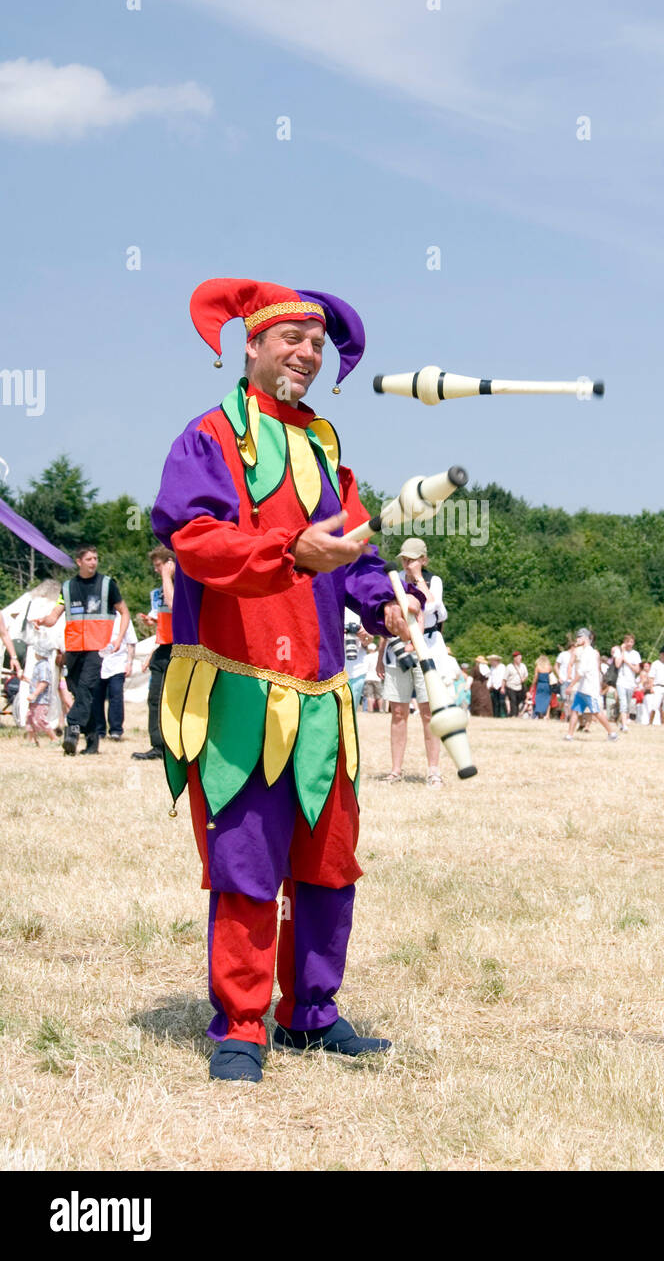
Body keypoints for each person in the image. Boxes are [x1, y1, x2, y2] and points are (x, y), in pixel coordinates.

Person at [151, 276, 421, 1082]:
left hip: (321, 698)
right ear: (253, 344)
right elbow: (194, 540)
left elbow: (359, 551)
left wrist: (382, 603)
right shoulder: (208, 439)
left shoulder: (329, 448)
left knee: (328, 863)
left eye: (316, 343)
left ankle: (311, 1012)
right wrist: (285, 553)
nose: (305, 353)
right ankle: (240, 1024)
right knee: (245, 866)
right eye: (290, 339)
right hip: (236, 690)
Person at [40, 546, 131, 756]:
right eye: (89, 559)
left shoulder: (108, 585)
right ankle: (92, 744)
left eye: (96, 558)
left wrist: (119, 639)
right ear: (79, 561)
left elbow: (124, 613)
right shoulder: (68, 587)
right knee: (81, 694)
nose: (94, 562)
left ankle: (71, 729)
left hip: (96, 648)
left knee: (86, 690)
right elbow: (54, 616)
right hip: (73, 649)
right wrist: (44, 621)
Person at [378, 538, 446, 787]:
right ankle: (395, 770)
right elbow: (388, 616)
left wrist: (418, 579)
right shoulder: (394, 578)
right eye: (405, 559)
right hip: (398, 647)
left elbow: (431, 606)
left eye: (412, 559)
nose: (407, 564)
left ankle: (433, 770)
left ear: (424, 559)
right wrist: (379, 656)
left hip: (426, 646)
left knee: (428, 712)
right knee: (398, 711)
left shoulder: (433, 581)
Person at [133, 548, 175, 760]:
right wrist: (155, 623)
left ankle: (177, 746)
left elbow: (174, 604)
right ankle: (158, 746)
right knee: (155, 699)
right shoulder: (159, 590)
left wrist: (167, 577)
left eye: (159, 566)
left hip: (182, 650)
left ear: (170, 562)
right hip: (163, 648)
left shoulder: (184, 585)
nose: (157, 571)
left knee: (176, 701)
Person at [565, 630, 618, 741]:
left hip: (589, 689)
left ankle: (612, 733)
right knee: (574, 710)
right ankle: (569, 735)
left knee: (596, 712)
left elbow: (581, 672)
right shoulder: (586, 652)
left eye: (579, 637)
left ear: (585, 638)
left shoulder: (588, 653)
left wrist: (570, 685)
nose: (577, 640)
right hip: (582, 688)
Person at [95, 611, 137, 740]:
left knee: (116, 696)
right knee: (96, 697)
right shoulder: (96, 616)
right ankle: (98, 730)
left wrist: (129, 662)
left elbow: (131, 642)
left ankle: (116, 730)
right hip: (97, 662)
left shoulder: (123, 619)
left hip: (118, 663)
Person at [25, 633, 57, 745]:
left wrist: (34, 694)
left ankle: (54, 738)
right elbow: (36, 682)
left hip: (41, 700)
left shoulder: (43, 666)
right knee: (29, 719)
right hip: (35, 699)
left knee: (40, 720)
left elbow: (43, 683)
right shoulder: (39, 665)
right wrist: (26, 679)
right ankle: (31, 741)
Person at [343, 609, 369, 711]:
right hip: (336, 671)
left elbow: (369, 640)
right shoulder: (331, 607)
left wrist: (364, 635)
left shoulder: (359, 609)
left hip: (358, 670)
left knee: (352, 712)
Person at [614, 633, 641, 731]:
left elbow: (637, 670)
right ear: (624, 642)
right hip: (621, 681)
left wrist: (628, 662)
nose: (629, 644)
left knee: (628, 704)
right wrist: (622, 652)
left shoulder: (635, 654)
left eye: (631, 642)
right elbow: (617, 664)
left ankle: (621, 721)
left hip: (631, 682)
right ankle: (625, 725)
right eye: (627, 642)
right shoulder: (619, 652)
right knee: (623, 703)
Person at [648, 647, 664, 726]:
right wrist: (651, 687)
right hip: (658, 686)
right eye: (663, 654)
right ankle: (650, 722)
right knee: (655, 705)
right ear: (660, 654)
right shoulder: (655, 663)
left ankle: (663, 722)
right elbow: (651, 676)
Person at [504, 651, 528, 716]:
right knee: (513, 701)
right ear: (514, 658)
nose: (519, 659)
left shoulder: (523, 666)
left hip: (520, 687)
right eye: (518, 658)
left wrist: (524, 679)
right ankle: (513, 715)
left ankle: (516, 714)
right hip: (511, 686)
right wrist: (503, 687)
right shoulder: (509, 666)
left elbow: (526, 675)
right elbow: (504, 678)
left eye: (520, 658)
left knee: (518, 701)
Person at [362, 642, 382, 713]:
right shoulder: (378, 656)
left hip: (368, 677)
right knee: (379, 695)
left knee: (369, 695)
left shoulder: (366, 657)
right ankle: (380, 710)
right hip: (377, 678)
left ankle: (370, 710)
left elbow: (365, 668)